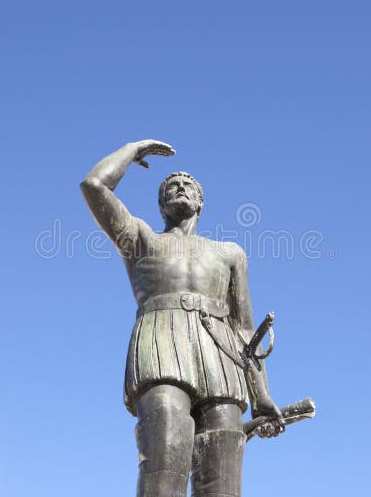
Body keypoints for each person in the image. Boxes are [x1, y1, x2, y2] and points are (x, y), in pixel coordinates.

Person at [80, 140, 284, 497]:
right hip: (161, 343)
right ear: (161, 204)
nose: (180, 186)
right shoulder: (141, 239)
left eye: (189, 184)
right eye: (171, 185)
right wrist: (132, 149)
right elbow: (94, 185)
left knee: (221, 477)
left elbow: (246, 328)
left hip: (221, 355)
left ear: (201, 202)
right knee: (165, 459)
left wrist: (262, 395)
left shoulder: (229, 253)